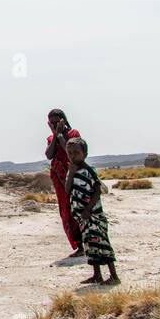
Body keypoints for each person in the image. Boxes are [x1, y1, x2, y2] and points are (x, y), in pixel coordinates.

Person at [65, 136, 119, 285]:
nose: (72, 155)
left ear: (85, 154)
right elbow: (67, 190)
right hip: (82, 217)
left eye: (76, 152)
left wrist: (88, 209)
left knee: (102, 244)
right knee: (90, 245)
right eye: (69, 153)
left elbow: (97, 190)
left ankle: (114, 276)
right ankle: (97, 275)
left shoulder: (89, 170)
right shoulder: (73, 171)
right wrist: (70, 172)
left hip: (93, 215)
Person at [45, 108, 84, 265]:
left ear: (63, 120)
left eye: (57, 121)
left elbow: (70, 151)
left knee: (78, 207)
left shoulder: (74, 134)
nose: (55, 124)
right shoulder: (50, 138)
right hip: (59, 176)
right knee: (65, 210)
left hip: (73, 175)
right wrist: (55, 135)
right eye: (51, 122)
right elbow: (49, 154)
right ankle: (78, 244)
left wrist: (61, 134)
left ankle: (87, 242)